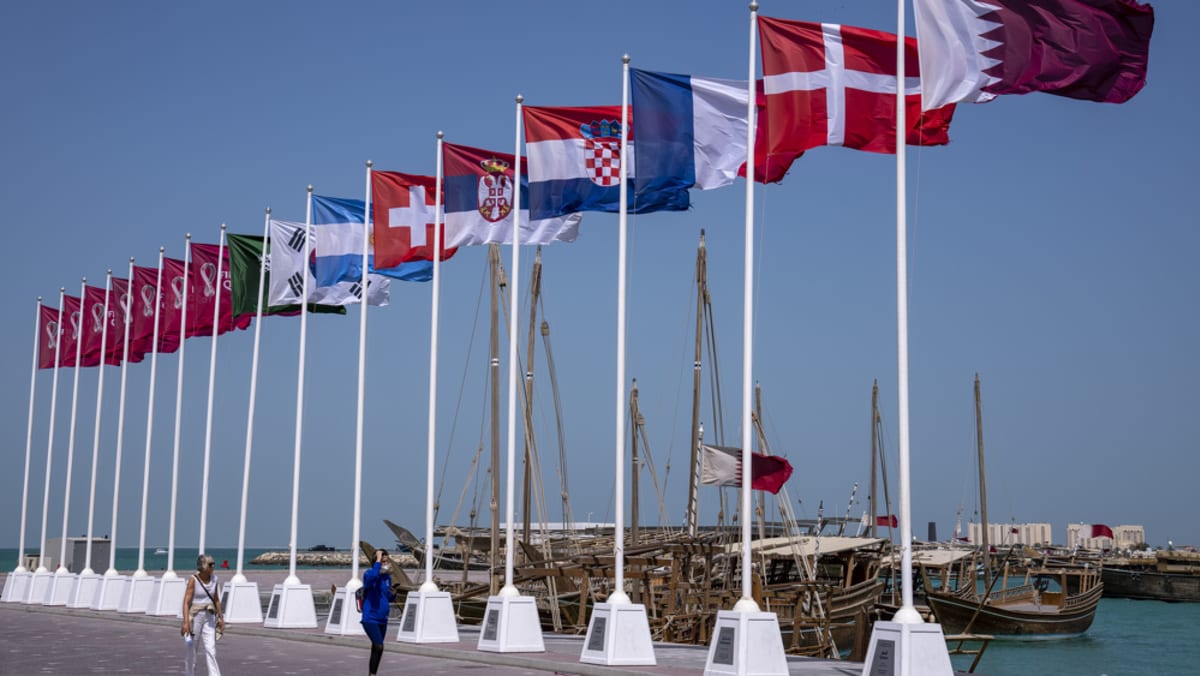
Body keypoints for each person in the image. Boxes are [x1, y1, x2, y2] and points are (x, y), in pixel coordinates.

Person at [182, 554, 224, 676]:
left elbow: (216, 600)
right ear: (204, 566)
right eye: (211, 564)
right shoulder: (193, 580)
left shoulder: (215, 579)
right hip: (195, 617)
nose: (213, 566)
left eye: (214, 564)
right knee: (192, 650)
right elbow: (186, 602)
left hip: (209, 616)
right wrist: (185, 622)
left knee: (211, 649)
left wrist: (221, 618)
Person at [361, 548, 397, 676]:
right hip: (370, 618)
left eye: (387, 562)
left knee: (377, 648)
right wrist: (378, 559)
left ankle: (372, 673)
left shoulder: (387, 578)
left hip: (383, 618)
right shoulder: (369, 574)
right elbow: (373, 577)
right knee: (378, 645)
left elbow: (387, 596)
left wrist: (393, 594)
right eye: (383, 562)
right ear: (376, 562)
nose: (386, 564)